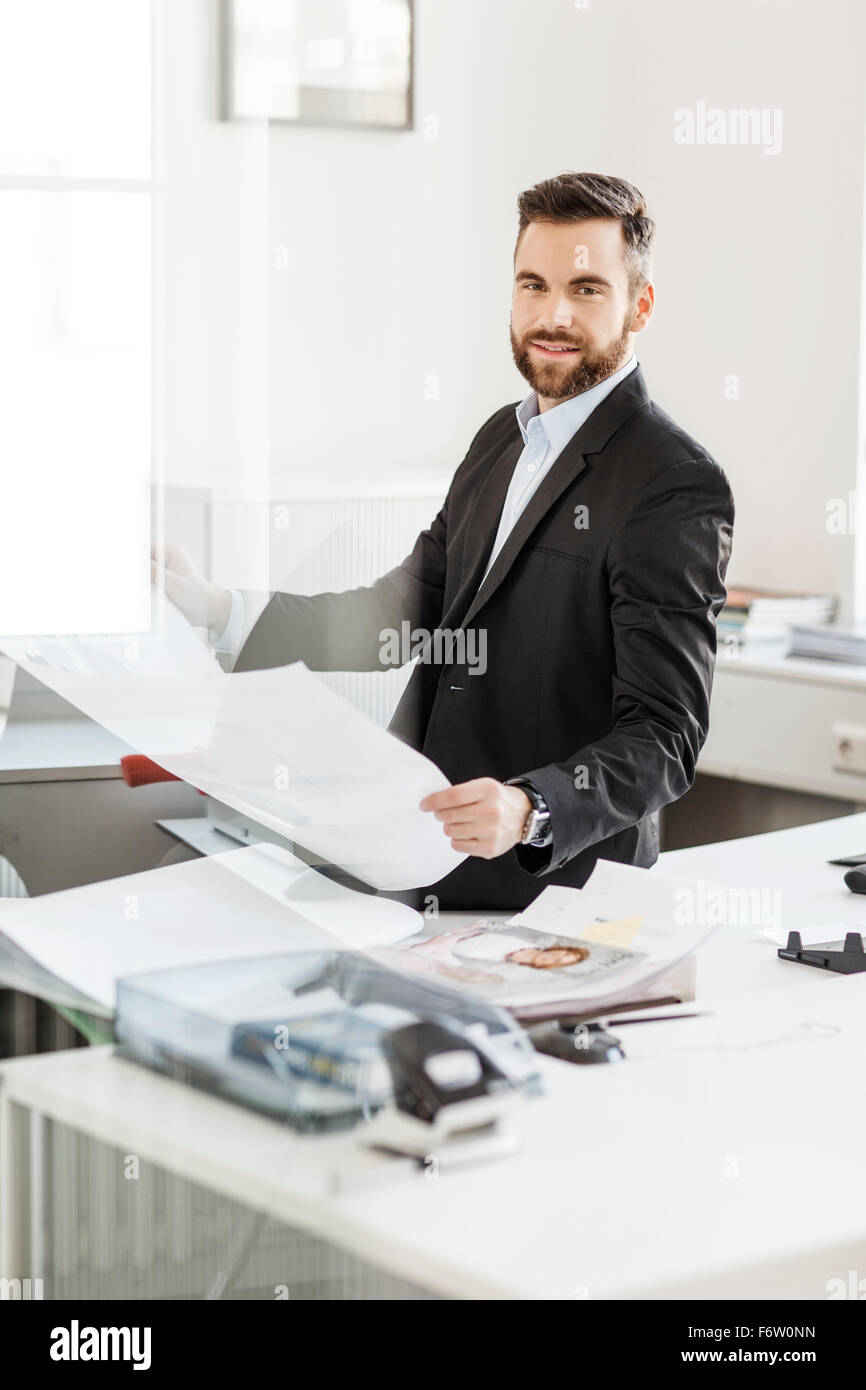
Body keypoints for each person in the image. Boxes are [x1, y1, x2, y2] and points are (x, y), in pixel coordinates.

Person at [155, 172, 734, 911]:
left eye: (586, 289)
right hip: (425, 871)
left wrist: (533, 808)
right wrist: (217, 608)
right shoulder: (500, 439)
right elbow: (397, 613)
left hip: (558, 899)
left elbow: (665, 734)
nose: (552, 314)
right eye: (533, 285)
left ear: (640, 305)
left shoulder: (673, 481)